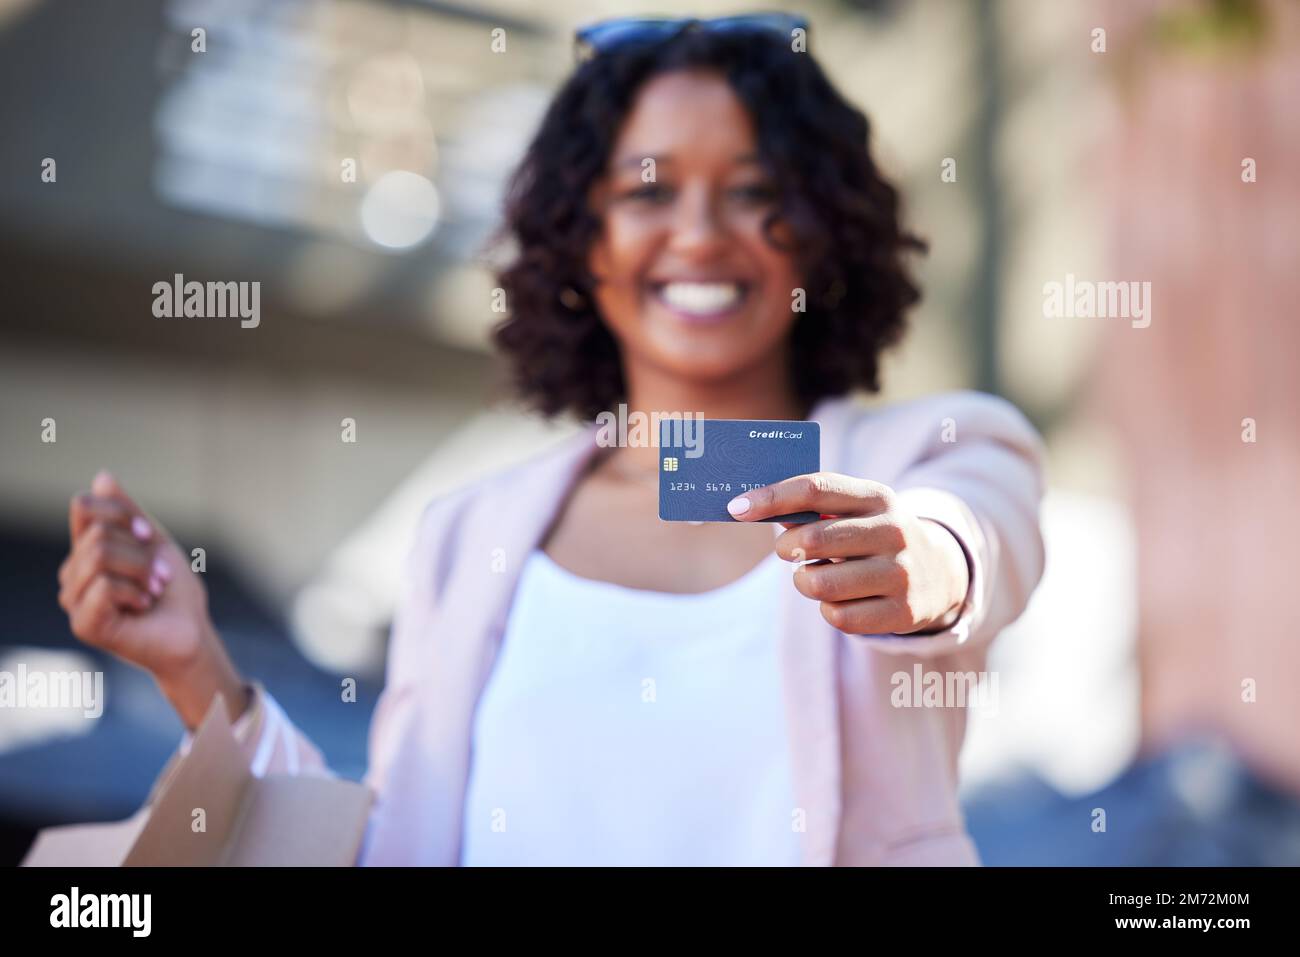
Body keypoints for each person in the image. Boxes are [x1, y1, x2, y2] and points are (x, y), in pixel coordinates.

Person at [55, 14, 1045, 866]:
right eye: (648, 192)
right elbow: (392, 844)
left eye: (753, 191)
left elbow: (977, 543)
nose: (699, 232)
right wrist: (198, 671)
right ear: (584, 238)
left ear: (822, 232)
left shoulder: (915, 460)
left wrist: (925, 561)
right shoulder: (470, 531)